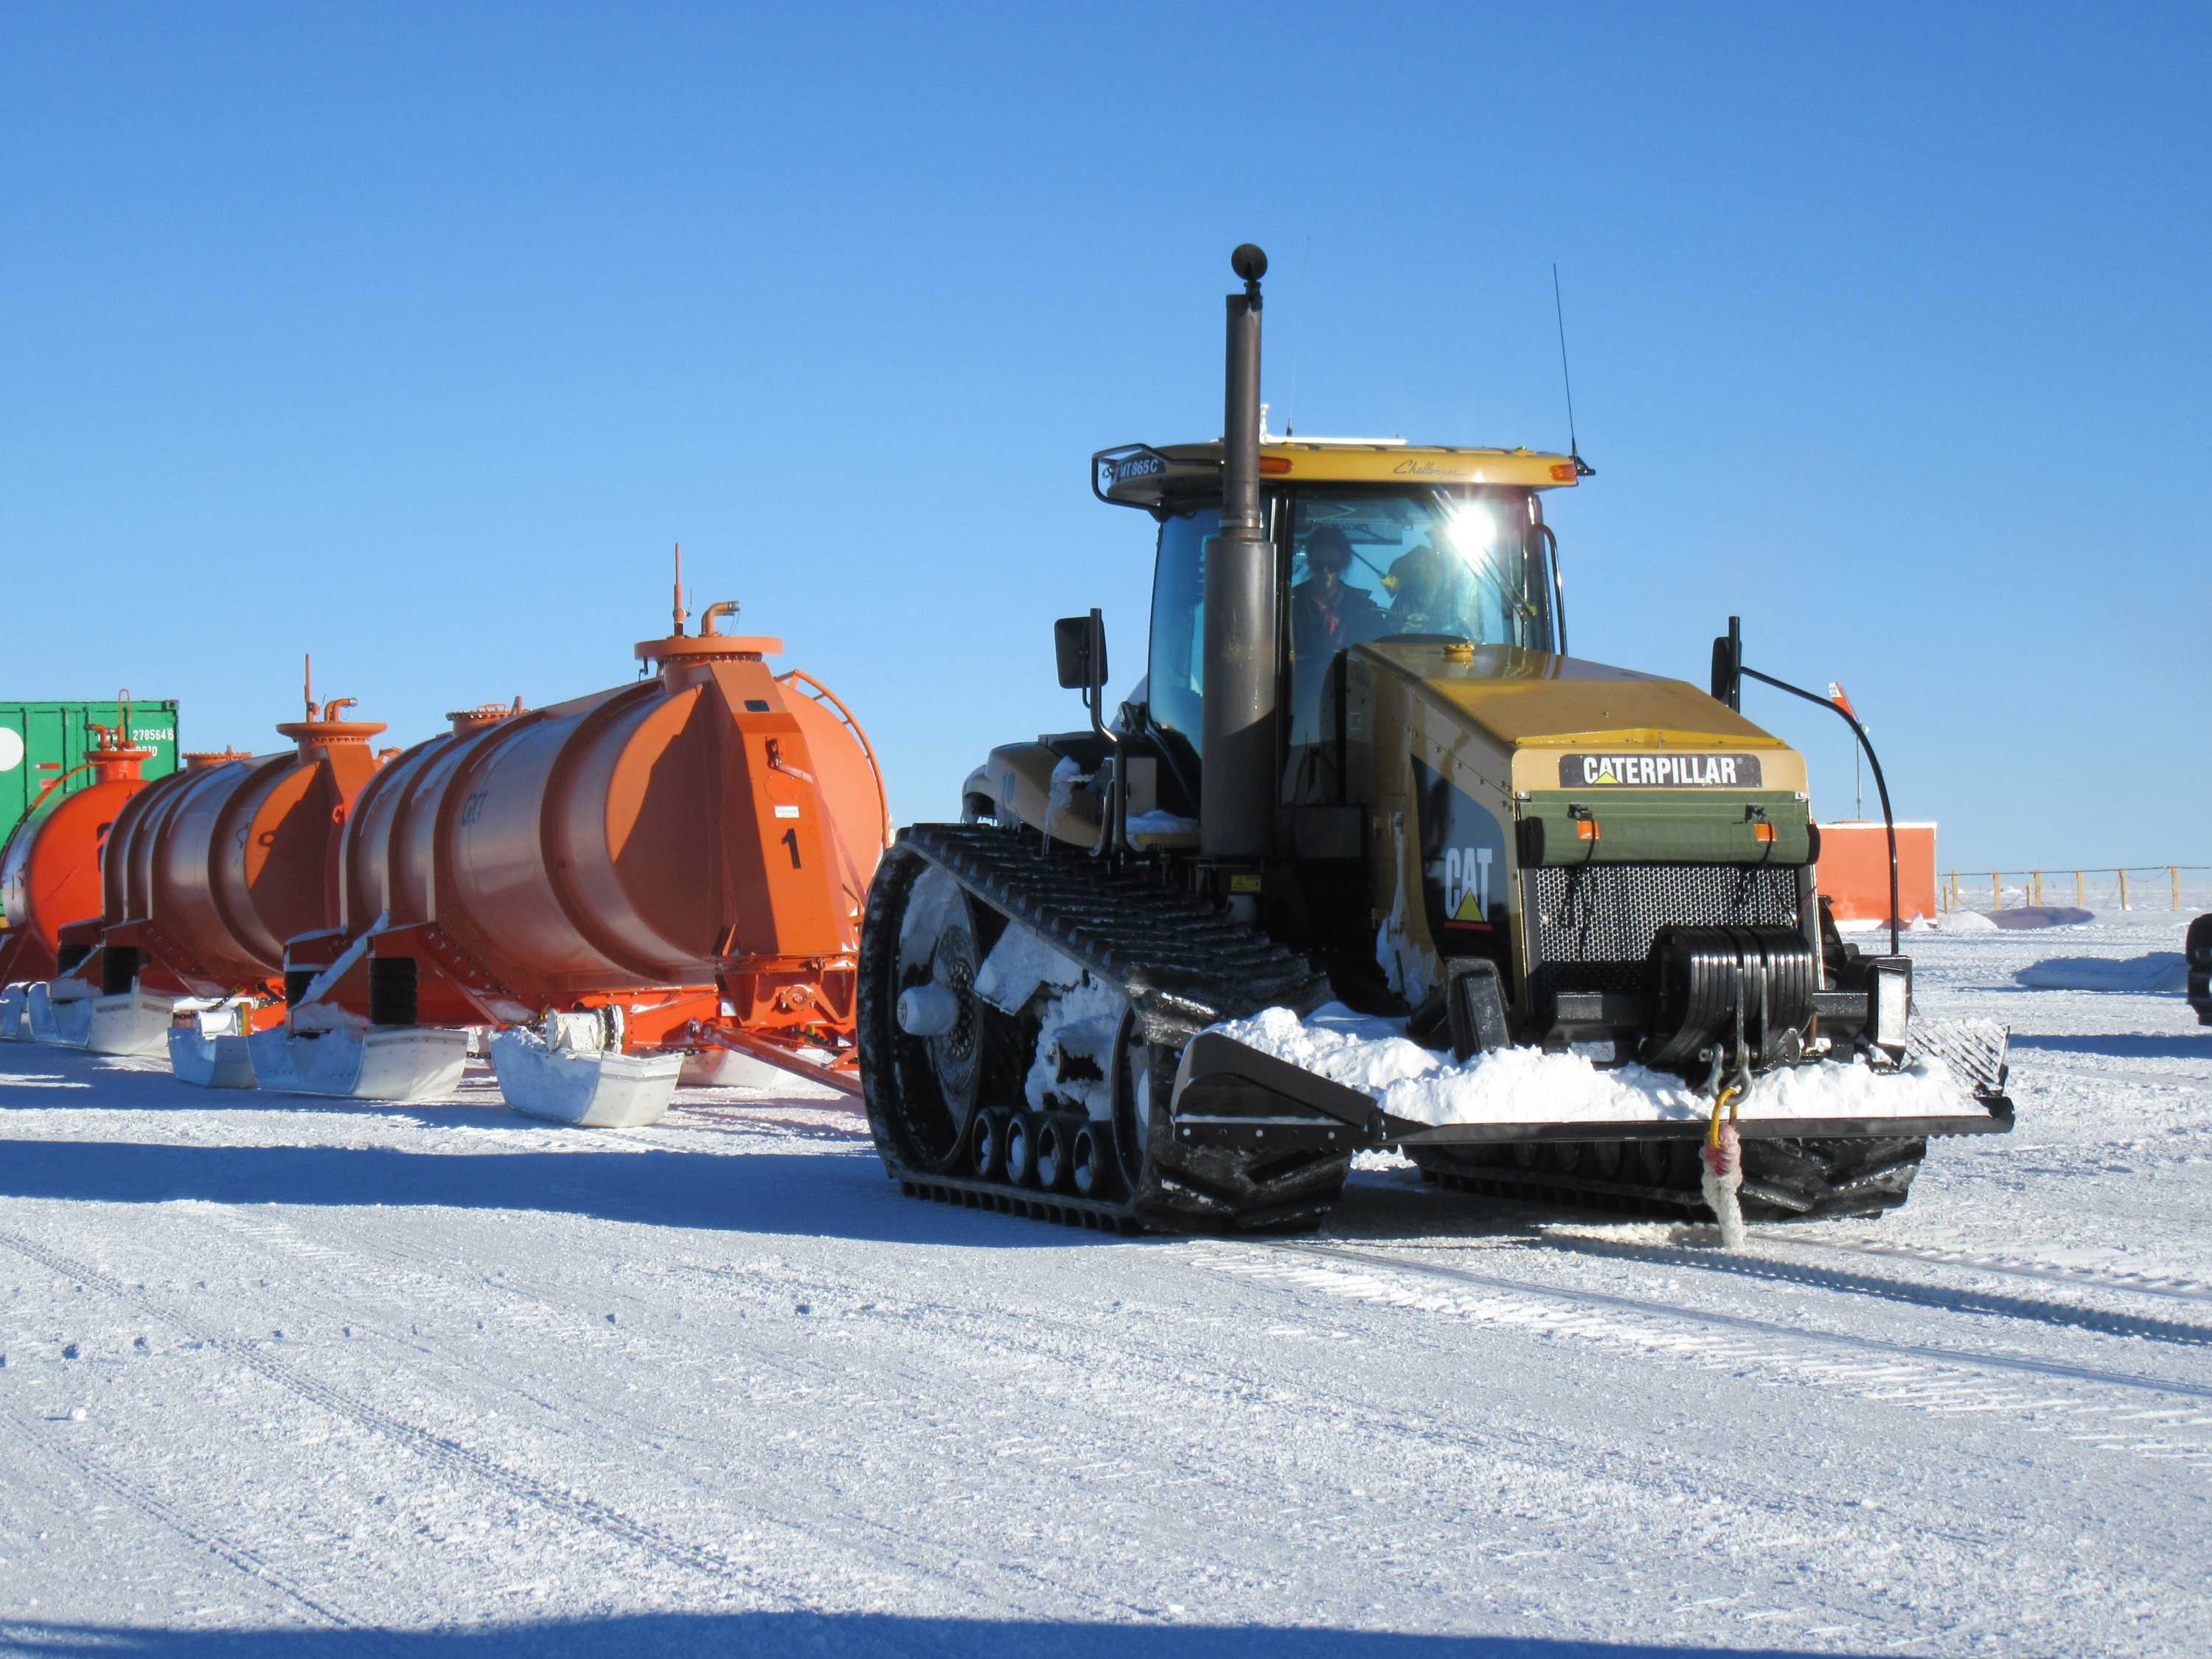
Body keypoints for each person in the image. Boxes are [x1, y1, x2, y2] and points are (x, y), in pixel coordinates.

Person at [1381, 543, 1450, 636]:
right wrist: (1402, 632)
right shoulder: (1404, 599)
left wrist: (1429, 627)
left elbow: (1456, 631)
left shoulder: (1447, 604)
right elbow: (1386, 635)